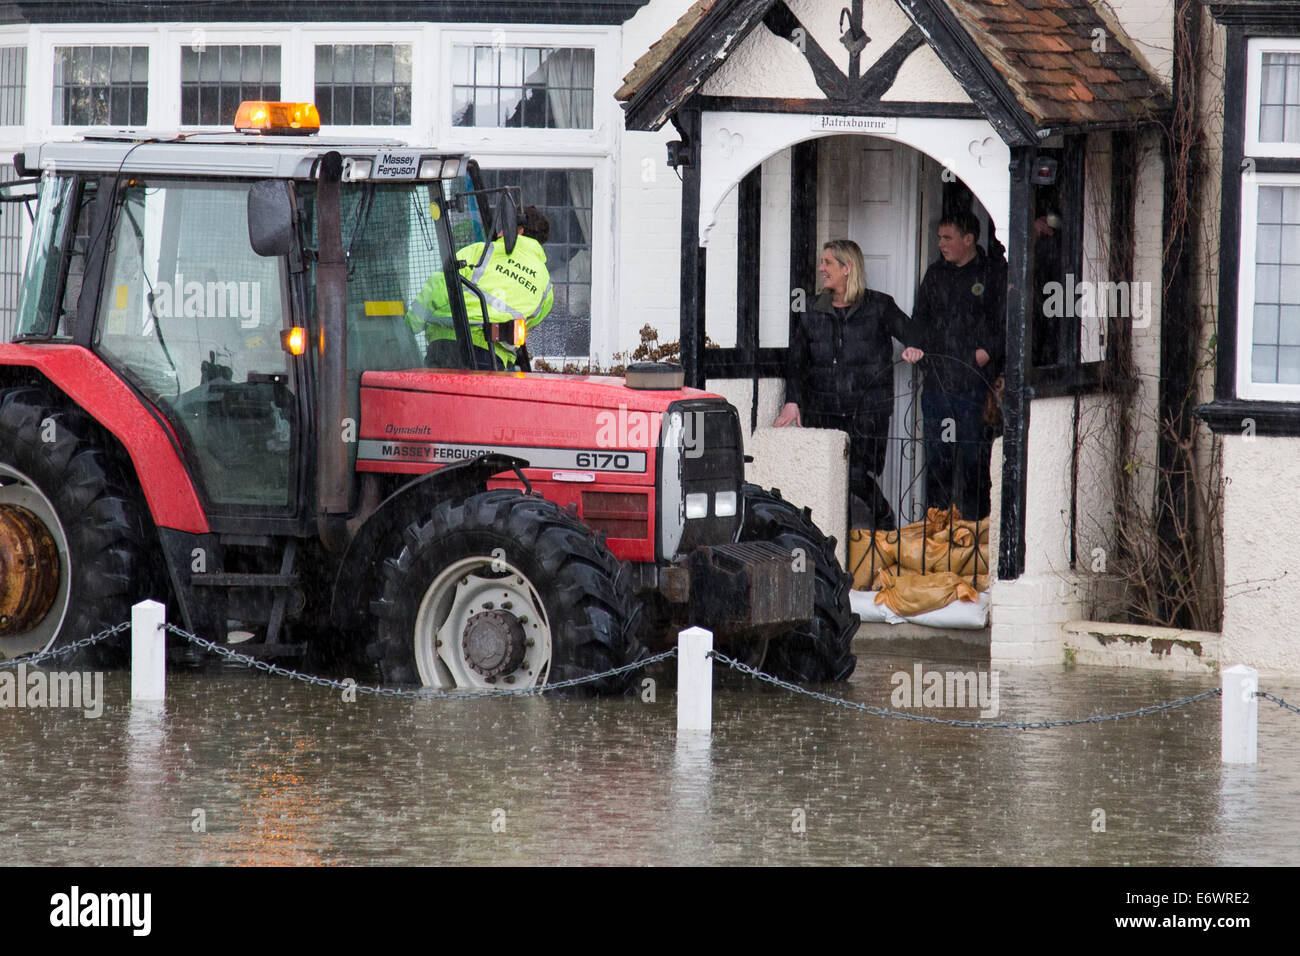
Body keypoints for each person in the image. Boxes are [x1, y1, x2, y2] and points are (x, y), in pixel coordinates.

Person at [774, 239, 923, 527]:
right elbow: (797, 362)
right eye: (822, 262)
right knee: (827, 476)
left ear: (847, 268)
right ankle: (838, 541)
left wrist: (914, 346)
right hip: (823, 409)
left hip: (868, 411)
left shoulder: (879, 305)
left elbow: (914, 331)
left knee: (855, 475)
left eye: (828, 263)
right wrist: (792, 401)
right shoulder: (810, 309)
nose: (821, 268)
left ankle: (883, 520)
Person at [906, 211, 1006, 519]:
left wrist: (988, 350)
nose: (940, 243)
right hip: (938, 383)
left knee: (976, 462)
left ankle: (977, 533)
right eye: (939, 237)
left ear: (969, 239)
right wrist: (916, 346)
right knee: (938, 461)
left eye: (947, 238)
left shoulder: (993, 273)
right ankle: (937, 534)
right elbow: (919, 319)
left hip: (976, 384)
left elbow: (1009, 321)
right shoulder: (935, 274)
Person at [409, 205, 553, 369]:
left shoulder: (481, 251)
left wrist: (409, 329)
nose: (499, 234)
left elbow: (439, 286)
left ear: (518, 231)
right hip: (491, 359)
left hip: (446, 345)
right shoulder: (545, 284)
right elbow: (527, 325)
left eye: (503, 228)